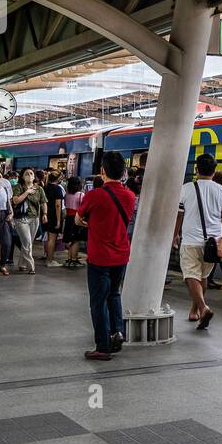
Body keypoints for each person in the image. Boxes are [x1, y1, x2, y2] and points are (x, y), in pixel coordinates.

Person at [77, 150, 136, 360]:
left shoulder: (95, 195)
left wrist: (89, 222)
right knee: (114, 294)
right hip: (121, 255)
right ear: (124, 172)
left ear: (102, 171)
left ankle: (102, 346)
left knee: (98, 301)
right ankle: (117, 331)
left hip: (99, 256)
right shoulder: (130, 196)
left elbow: (78, 219)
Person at [174, 152, 222, 330]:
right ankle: (194, 311)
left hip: (191, 239)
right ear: (214, 170)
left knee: (190, 275)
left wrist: (175, 234)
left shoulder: (186, 188)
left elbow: (179, 214)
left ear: (196, 169)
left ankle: (202, 308)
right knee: (203, 276)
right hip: (214, 241)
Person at [9, 168, 46, 275]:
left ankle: (22, 264)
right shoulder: (18, 187)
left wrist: (45, 214)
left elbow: (43, 202)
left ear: (34, 177)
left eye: (31, 174)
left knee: (28, 243)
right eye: (26, 174)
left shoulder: (39, 189)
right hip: (21, 219)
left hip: (34, 218)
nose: (29, 175)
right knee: (27, 242)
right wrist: (27, 192)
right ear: (22, 177)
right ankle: (31, 265)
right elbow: (15, 200)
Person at [42, 169, 65, 267]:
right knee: (52, 239)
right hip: (54, 216)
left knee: (47, 237)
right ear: (58, 178)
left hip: (45, 214)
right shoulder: (57, 188)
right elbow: (58, 205)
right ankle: (50, 260)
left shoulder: (45, 187)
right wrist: (59, 220)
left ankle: (48, 257)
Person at [62, 176, 87, 268]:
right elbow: (83, 207)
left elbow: (65, 205)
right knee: (76, 240)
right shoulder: (81, 194)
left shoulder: (67, 195)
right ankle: (74, 259)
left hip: (68, 218)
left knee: (70, 238)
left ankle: (69, 258)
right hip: (76, 218)